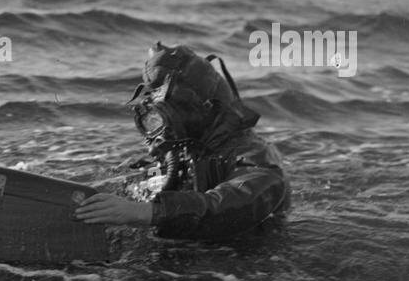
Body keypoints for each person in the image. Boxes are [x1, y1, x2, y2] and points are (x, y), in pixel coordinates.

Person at [74, 42, 289, 240]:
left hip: (246, 266)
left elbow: (232, 205)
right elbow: (143, 186)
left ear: (204, 110)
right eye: (155, 117)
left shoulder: (259, 162)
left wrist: (143, 213)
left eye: (175, 112)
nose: (163, 131)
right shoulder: (181, 151)